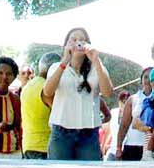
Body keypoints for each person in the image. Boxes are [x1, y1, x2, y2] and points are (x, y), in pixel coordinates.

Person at [41, 27, 114, 160]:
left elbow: (108, 92)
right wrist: (64, 61)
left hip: (89, 133)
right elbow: (48, 91)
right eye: (73, 40)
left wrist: (96, 61)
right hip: (61, 132)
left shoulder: (97, 68)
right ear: (66, 45)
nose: (78, 43)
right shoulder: (56, 67)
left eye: (82, 40)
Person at [21, 52, 60, 160]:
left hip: (28, 145)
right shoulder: (47, 89)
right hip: (43, 148)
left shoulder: (28, 86)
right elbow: (61, 116)